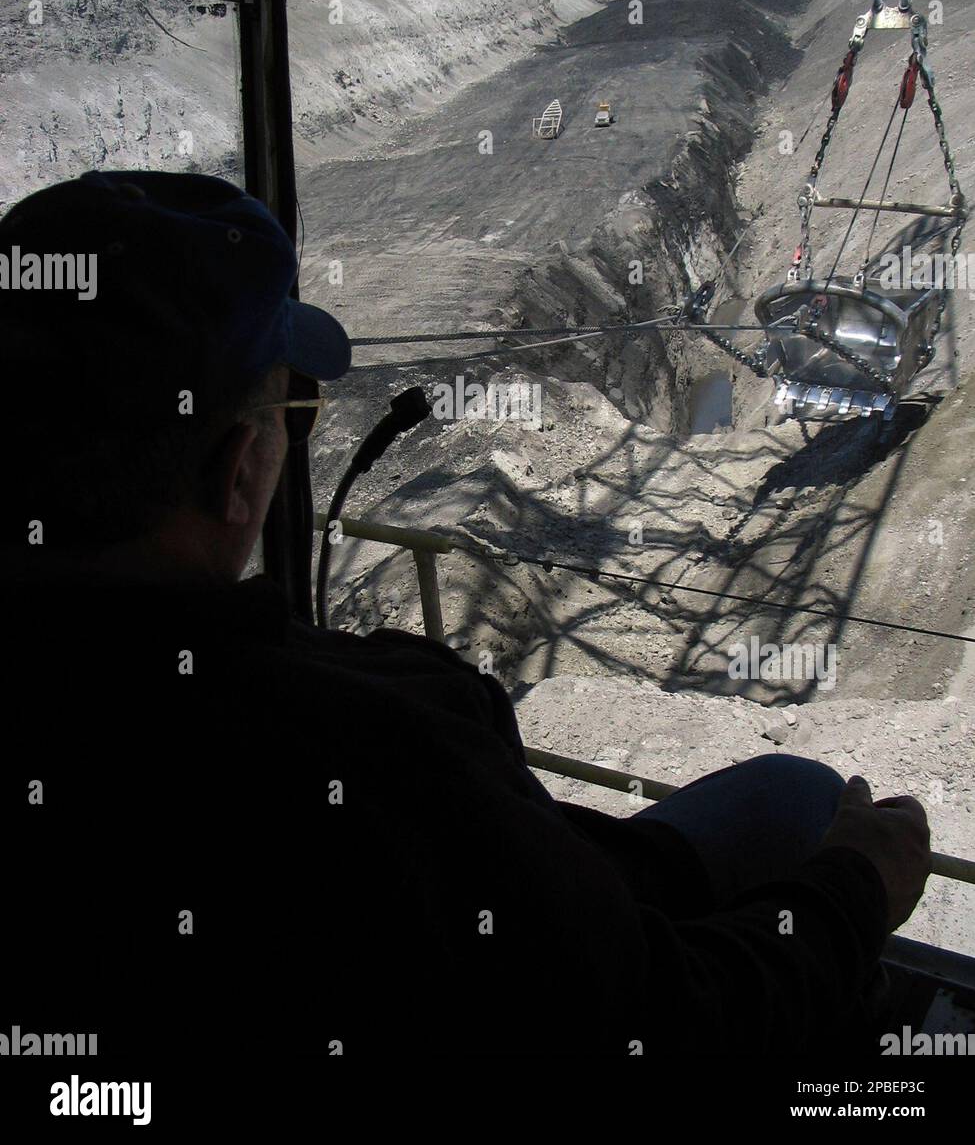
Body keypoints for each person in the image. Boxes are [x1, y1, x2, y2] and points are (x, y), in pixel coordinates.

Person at [0, 171, 930, 1059]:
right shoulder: (373, 747)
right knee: (801, 799)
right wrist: (852, 892)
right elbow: (655, 1023)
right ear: (240, 468)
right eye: (296, 405)